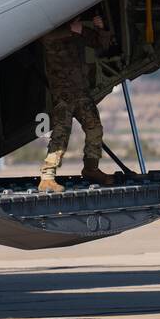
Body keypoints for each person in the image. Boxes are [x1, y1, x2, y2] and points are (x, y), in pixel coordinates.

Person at [39, 14, 115, 193]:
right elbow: (44, 38)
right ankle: (47, 177)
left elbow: (101, 44)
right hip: (63, 94)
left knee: (95, 128)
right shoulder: (51, 30)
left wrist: (100, 29)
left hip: (81, 92)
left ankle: (91, 168)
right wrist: (71, 30)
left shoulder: (78, 29)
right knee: (61, 134)